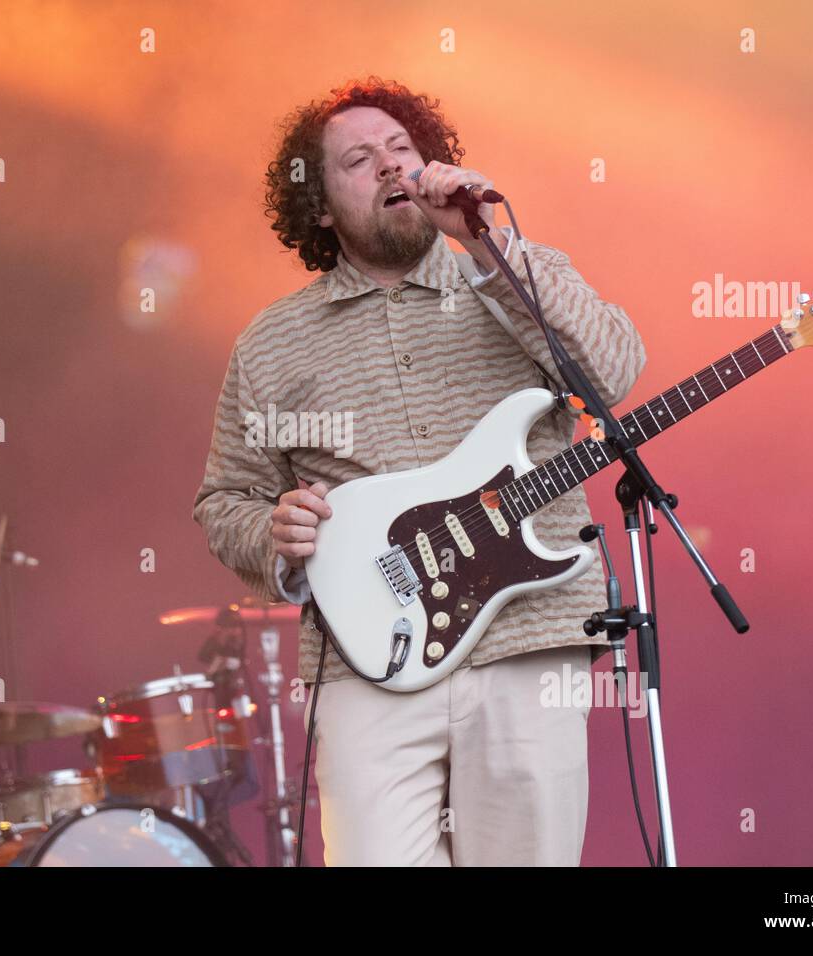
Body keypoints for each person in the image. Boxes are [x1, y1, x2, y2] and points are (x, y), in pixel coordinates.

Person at [192, 77, 647, 865]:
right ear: (322, 208)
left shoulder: (507, 273)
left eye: (403, 149)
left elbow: (612, 372)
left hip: (525, 639)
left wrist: (486, 244)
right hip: (368, 653)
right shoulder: (271, 343)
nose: (391, 167)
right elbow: (223, 497)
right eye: (361, 160)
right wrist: (273, 530)